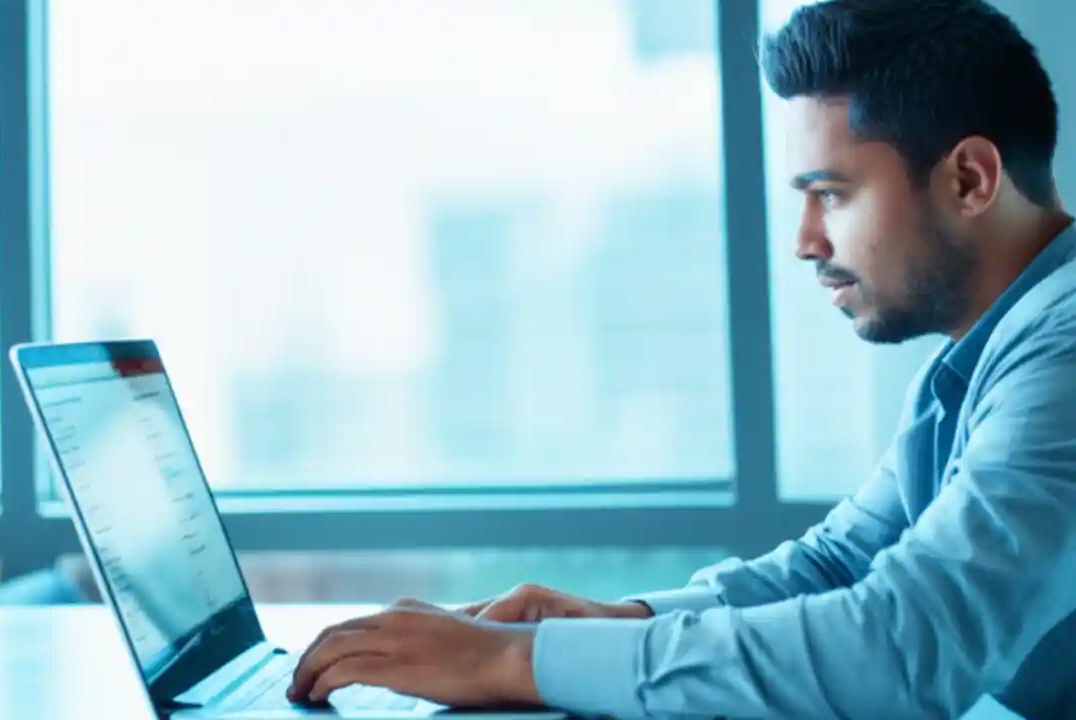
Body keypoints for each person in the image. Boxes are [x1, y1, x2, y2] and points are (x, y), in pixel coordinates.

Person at [287, 0, 1076, 716]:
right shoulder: (984, 359)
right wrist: (614, 623)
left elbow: (902, 651)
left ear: (969, 179)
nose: (806, 241)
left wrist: (517, 663)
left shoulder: (1064, 354)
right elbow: (837, 566)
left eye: (831, 193)